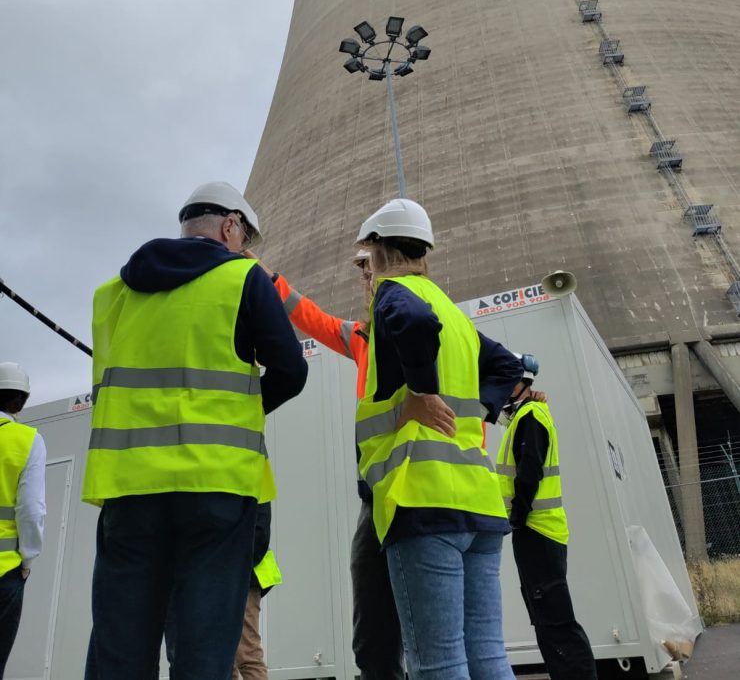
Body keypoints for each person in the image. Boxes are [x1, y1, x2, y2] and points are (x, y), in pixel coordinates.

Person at [81, 181, 307, 680]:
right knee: (203, 650)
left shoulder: (114, 294)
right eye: (245, 237)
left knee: (119, 647)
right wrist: (239, 411)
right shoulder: (243, 279)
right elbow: (292, 370)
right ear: (229, 226)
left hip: (129, 488)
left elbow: (104, 392)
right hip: (215, 490)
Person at [354, 197, 527, 680]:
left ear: (379, 248)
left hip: (422, 502)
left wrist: (422, 392)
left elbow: (412, 322)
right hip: (478, 506)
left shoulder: (394, 293)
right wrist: (481, 407)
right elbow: (508, 366)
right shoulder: (453, 314)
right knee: (488, 656)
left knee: (439, 663)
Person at [248, 248, 409, 680]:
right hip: (376, 497)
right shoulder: (361, 340)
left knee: (424, 620)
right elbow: (311, 317)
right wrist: (272, 280)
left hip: (417, 490)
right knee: (371, 620)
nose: (367, 284)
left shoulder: (423, 331)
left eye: (374, 275)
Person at [496, 376, 597, 680]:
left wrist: (517, 516)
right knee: (547, 620)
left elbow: (530, 470)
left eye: (505, 384)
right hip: (537, 531)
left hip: (536, 531)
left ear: (520, 386)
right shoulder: (527, 415)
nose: (499, 391)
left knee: (555, 622)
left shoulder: (530, 416)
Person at [0, 363, 45, 680]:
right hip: (4, 572)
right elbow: (31, 509)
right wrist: (27, 561)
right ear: (20, 401)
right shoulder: (26, 440)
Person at [231, 503, 281, 680]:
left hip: (243, 577)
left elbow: (260, 536)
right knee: (224, 659)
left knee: (247, 656)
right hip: (224, 577)